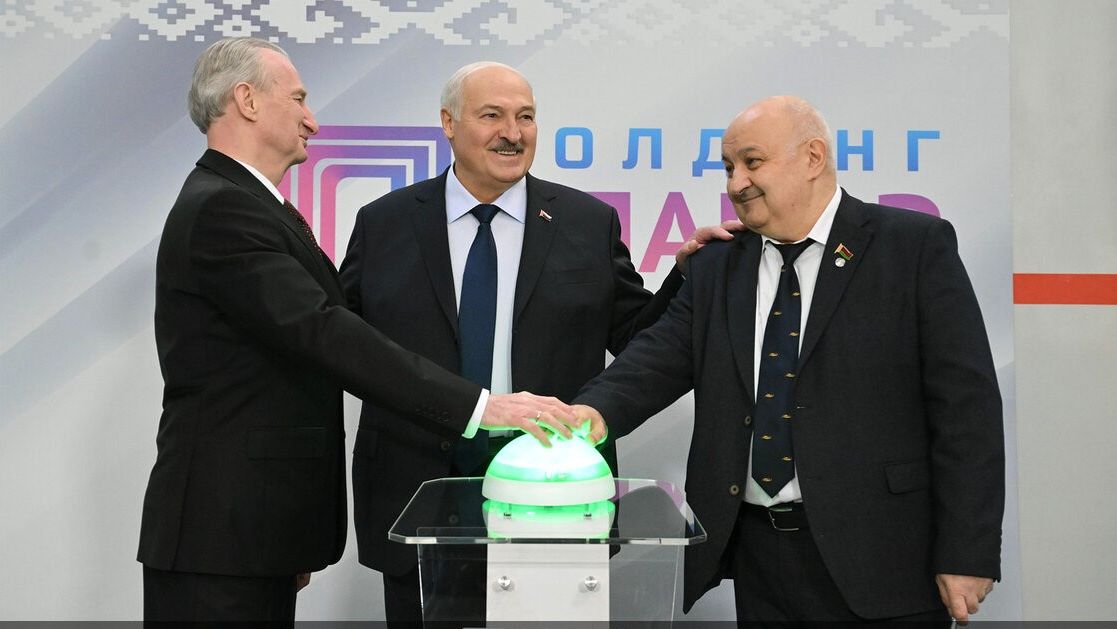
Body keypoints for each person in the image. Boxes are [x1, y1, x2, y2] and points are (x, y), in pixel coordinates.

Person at [137, 39, 590, 623]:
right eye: (298, 99)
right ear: (246, 100)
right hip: (222, 534)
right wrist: (483, 407)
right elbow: (328, 334)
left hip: (253, 533)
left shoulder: (249, 204)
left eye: (525, 116)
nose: (312, 120)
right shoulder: (225, 208)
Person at [573, 96, 1005, 624]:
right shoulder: (717, 265)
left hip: (885, 557)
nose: (736, 183)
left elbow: (967, 411)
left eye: (752, 162)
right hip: (759, 557)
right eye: (728, 168)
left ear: (813, 157)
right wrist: (584, 416)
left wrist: (967, 551)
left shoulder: (911, 247)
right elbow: (652, 362)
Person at [338, 61, 739, 624]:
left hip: (554, 491)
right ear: (449, 123)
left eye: (525, 117)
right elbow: (345, 346)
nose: (513, 132)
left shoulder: (587, 221)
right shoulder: (384, 222)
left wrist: (685, 275)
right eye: (492, 116)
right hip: (417, 487)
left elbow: (638, 338)